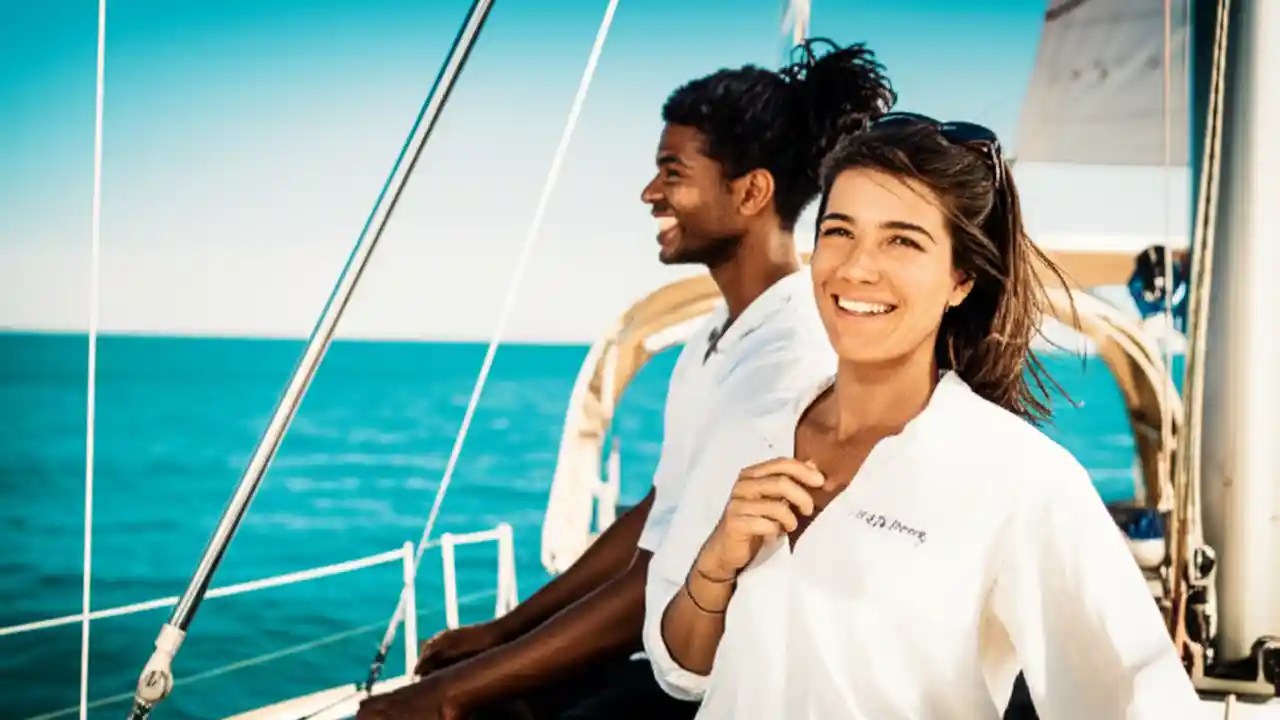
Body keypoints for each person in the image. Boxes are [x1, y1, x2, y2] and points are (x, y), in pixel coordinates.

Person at [355, 40, 895, 720]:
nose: (649, 193)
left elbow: (657, 578)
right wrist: (502, 632)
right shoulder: (714, 339)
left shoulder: (790, 357)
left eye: (672, 171)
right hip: (662, 648)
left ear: (752, 192)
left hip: (738, 681)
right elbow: (656, 518)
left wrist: (450, 695)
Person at [644, 114, 1203, 718]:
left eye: (901, 240)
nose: (856, 267)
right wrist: (718, 560)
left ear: (960, 279)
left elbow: (1137, 698)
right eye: (839, 231)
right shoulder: (745, 431)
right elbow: (683, 670)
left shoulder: (1020, 476)